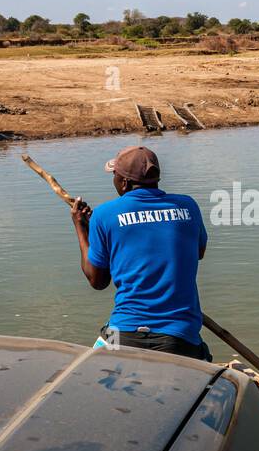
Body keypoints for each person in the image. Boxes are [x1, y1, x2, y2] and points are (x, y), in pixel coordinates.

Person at [71, 146, 211, 360]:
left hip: (122, 335)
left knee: (99, 368)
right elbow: (198, 252)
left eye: (115, 175)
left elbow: (97, 281)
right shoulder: (188, 206)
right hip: (180, 339)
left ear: (124, 182)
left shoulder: (104, 215)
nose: (114, 180)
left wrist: (81, 228)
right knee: (202, 362)